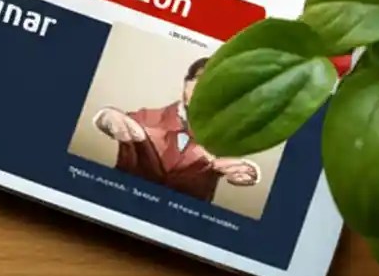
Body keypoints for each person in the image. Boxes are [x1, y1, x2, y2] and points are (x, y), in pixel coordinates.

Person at [93, 57, 260, 203]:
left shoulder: (225, 139)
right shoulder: (148, 118)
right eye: (201, 79)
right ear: (186, 84)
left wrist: (250, 173)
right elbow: (110, 119)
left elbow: (239, 166)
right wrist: (106, 117)